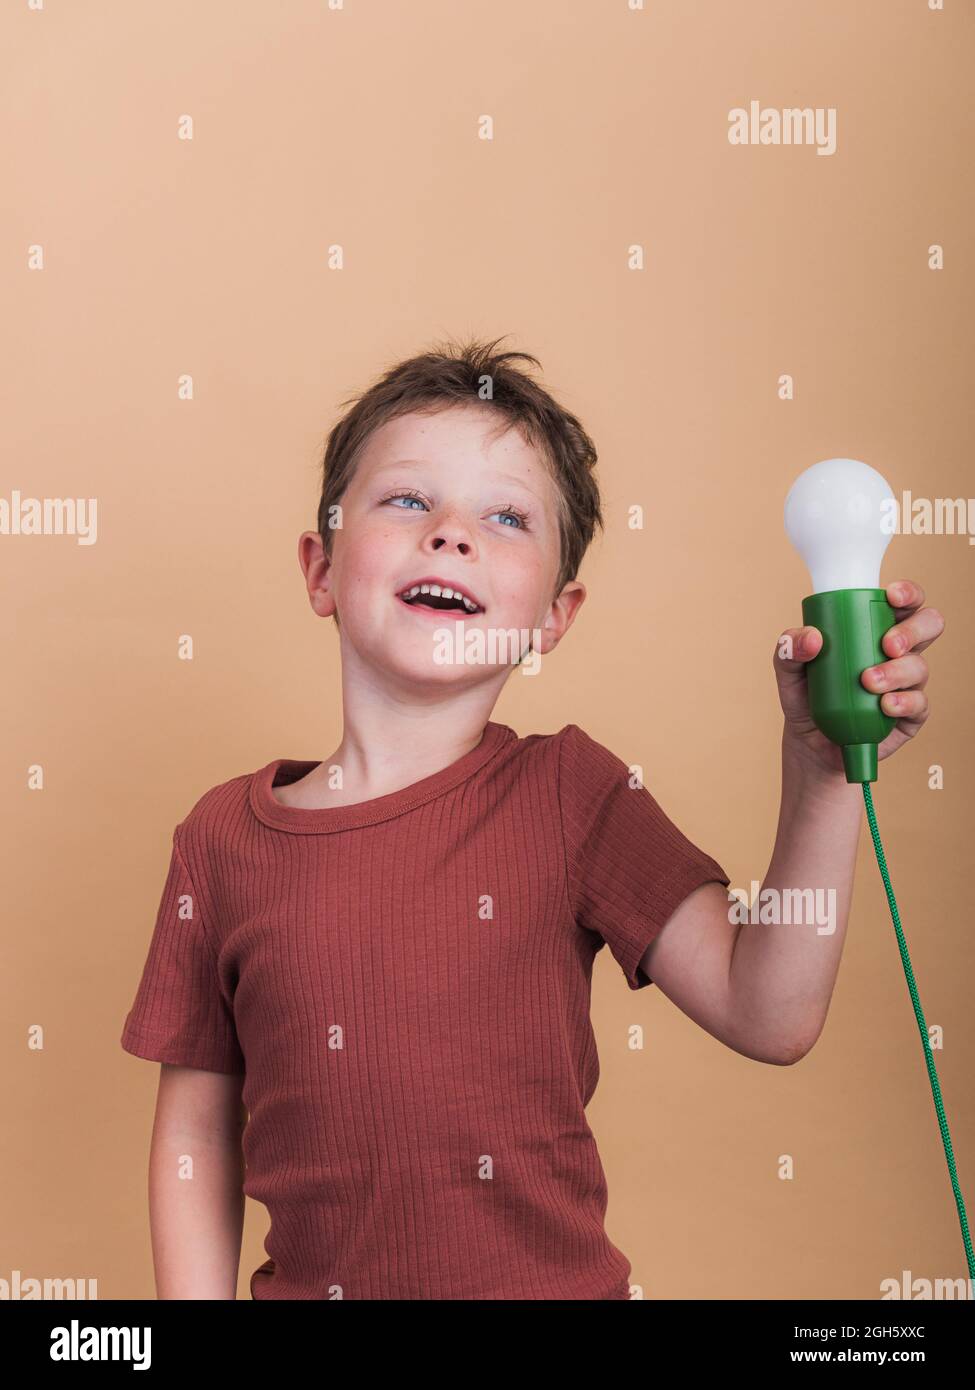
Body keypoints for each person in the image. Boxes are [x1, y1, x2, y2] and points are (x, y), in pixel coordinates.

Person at [120, 335, 943, 1300]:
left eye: (505, 517)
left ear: (554, 617)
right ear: (320, 568)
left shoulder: (572, 795)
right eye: (406, 499)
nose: (451, 533)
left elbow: (771, 1012)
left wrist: (820, 772)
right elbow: (194, 1133)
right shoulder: (222, 840)